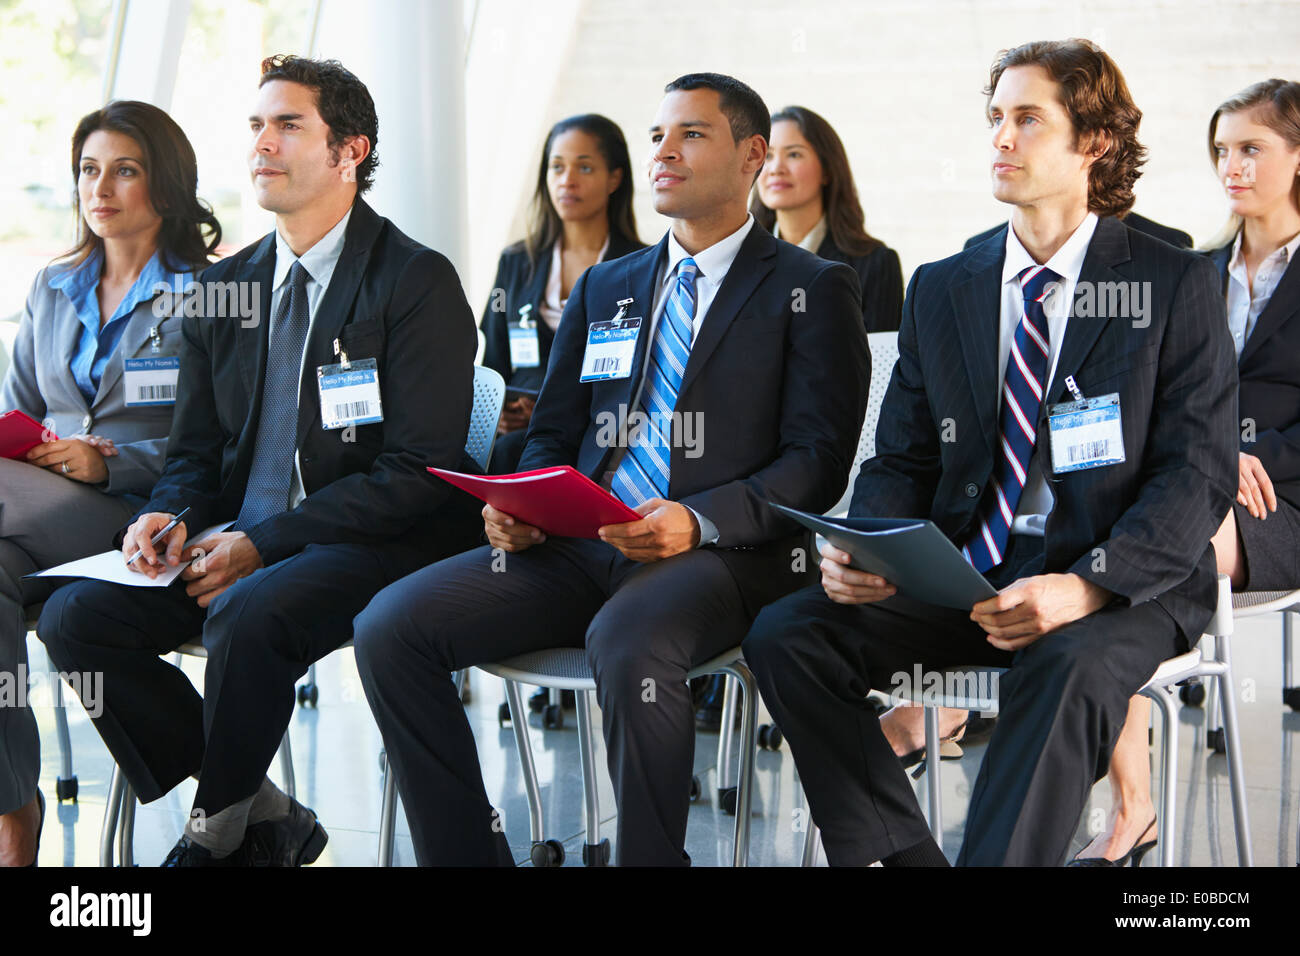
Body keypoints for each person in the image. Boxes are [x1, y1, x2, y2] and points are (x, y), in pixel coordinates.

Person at [742, 38, 1237, 867]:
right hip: (969, 576)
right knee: (785, 633)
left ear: (1094, 143)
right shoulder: (946, 284)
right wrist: (870, 548)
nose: (1001, 138)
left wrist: (1084, 586)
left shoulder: (1173, 281)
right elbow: (902, 459)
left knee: (1066, 665)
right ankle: (905, 857)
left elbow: (1198, 473)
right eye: (995, 118)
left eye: (1028, 119)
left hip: (1119, 586)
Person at [354, 72, 869, 866]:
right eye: (659, 134)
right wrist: (520, 503)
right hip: (578, 544)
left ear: (751, 157)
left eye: (691, 135)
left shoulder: (811, 287)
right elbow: (554, 431)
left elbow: (817, 462)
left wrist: (696, 521)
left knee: (629, 641)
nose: (663, 150)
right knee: (389, 627)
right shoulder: (611, 284)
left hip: (721, 555)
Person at [38, 55, 482, 866]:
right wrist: (162, 518)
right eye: (255, 126)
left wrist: (261, 543)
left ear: (350, 152)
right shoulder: (225, 288)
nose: (262, 145)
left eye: (288, 126)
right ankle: (264, 808)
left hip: (374, 542)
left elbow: (418, 472)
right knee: (76, 618)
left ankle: (214, 837)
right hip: (241, 540)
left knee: (251, 611)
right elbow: (193, 455)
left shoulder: (416, 281)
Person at [1073, 77, 1300, 866]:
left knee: (1143, 549)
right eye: (1220, 151)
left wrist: (1238, 453)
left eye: (1250, 149)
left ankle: (1108, 791)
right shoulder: (1192, 272)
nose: (1229, 166)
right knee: (1115, 538)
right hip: (1200, 489)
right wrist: (1207, 449)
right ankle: (1130, 803)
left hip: (1283, 503)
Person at [0, 100, 219, 867]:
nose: (102, 187)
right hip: (33, 506)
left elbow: (220, 444)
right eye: (90, 170)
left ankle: (11, 820)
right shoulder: (52, 285)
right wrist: (36, 445)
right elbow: (17, 407)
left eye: (125, 170)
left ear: (165, 184)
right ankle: (11, 807)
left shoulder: (209, 296)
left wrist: (112, 463)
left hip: (135, 512)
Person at [481, 114, 644, 475]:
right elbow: (494, 363)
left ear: (614, 178)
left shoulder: (640, 269)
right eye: (557, 167)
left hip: (601, 435)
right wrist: (502, 412)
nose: (567, 180)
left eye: (584, 168)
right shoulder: (516, 263)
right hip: (517, 440)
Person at [752, 105, 903, 334]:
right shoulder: (741, 259)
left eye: (794, 154)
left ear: (827, 170)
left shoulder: (876, 263)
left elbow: (877, 363)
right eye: (768, 156)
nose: (775, 168)